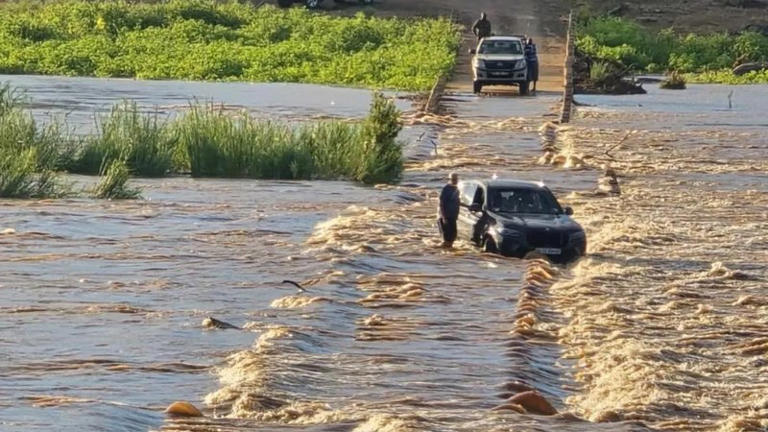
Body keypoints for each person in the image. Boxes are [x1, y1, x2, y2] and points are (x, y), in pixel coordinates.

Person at [438, 172, 460, 248]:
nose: (455, 181)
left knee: (453, 236)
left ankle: (449, 256)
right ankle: (444, 255)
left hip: (453, 217)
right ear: (449, 180)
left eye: (456, 179)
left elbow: (457, 202)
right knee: (447, 238)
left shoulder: (457, 189)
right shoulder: (446, 189)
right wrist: (444, 217)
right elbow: (441, 204)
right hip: (445, 217)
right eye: (453, 179)